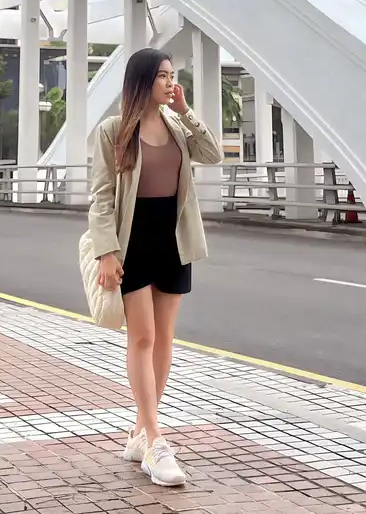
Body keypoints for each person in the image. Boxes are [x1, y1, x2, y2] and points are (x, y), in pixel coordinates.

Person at [88, 47, 223, 487]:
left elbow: (213, 153)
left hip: (173, 237)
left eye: (172, 75)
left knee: (163, 339)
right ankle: (155, 441)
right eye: (163, 76)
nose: (170, 82)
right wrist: (106, 252)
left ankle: (141, 431)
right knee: (142, 337)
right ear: (143, 80)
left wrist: (186, 110)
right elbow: (102, 196)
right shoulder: (113, 131)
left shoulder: (177, 126)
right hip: (133, 239)